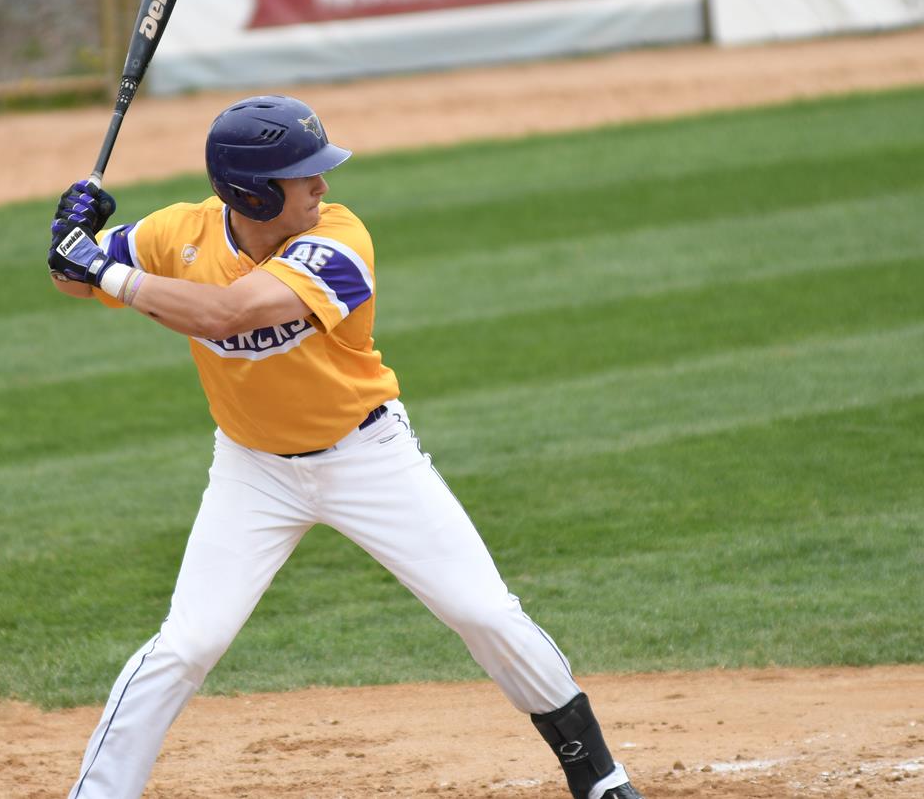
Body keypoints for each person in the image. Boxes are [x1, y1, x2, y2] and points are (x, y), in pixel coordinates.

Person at [45, 95, 646, 799]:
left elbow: (230, 311)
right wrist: (68, 236)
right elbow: (71, 276)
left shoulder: (338, 238)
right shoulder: (175, 235)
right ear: (253, 192)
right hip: (253, 469)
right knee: (189, 642)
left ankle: (599, 775)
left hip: (368, 456)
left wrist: (102, 267)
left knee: (483, 610)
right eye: (306, 175)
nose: (324, 185)